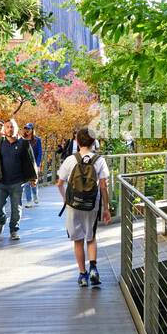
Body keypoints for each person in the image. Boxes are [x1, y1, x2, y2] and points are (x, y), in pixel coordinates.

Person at [56, 127, 112, 287]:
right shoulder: (99, 160)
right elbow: (103, 186)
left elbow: (59, 184)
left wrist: (66, 199)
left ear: (76, 141)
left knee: (78, 240)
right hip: (92, 204)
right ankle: (93, 268)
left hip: (74, 204)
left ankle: (82, 275)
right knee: (91, 236)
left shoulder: (70, 160)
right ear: (94, 142)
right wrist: (106, 208)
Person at [0, 118, 37, 240]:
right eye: (8, 127)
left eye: (12, 127)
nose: (10, 129)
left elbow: (32, 161)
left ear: (16, 129)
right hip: (1, 181)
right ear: (5, 129)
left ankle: (14, 230)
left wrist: (33, 178)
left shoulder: (24, 143)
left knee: (16, 208)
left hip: (17, 182)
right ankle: (2, 220)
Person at [21, 122, 43, 207]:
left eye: (29, 128)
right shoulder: (22, 140)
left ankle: (35, 195)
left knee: (33, 182)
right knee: (26, 183)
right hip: (25, 165)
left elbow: (40, 153)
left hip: (34, 164)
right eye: (26, 128)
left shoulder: (37, 140)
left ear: (32, 130)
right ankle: (29, 201)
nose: (27, 130)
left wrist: (37, 165)